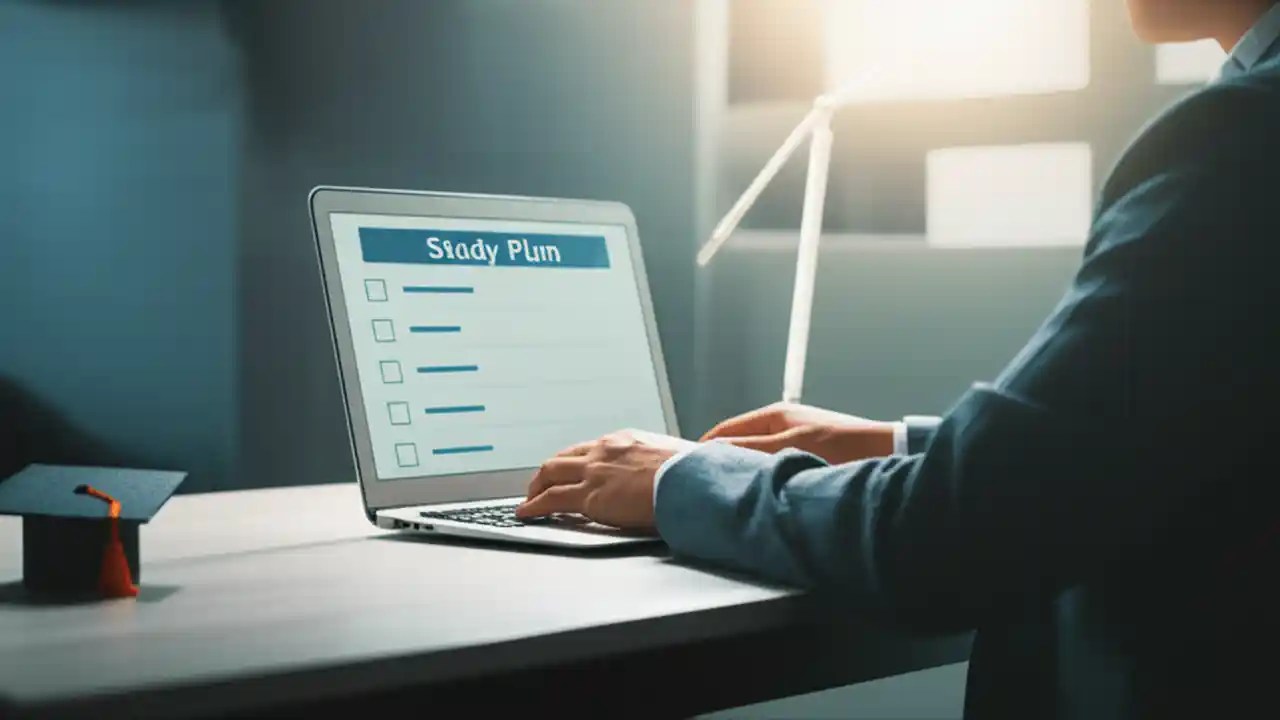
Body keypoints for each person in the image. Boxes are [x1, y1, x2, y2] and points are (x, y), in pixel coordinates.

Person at [517, 1, 1280, 717]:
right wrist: (902, 446)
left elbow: (950, 540)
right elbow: (1184, 437)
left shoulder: (1238, 142)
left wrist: (684, 480)